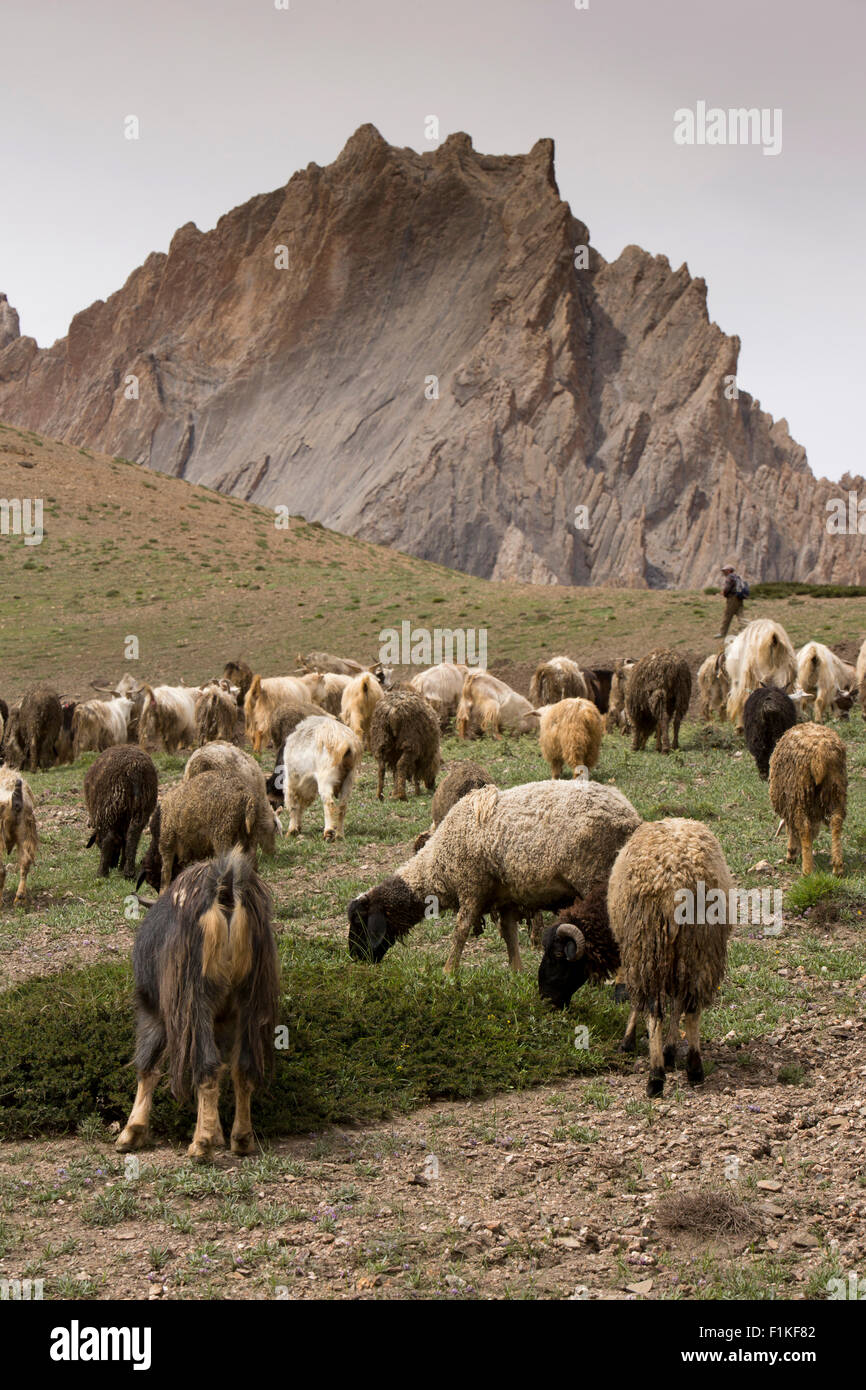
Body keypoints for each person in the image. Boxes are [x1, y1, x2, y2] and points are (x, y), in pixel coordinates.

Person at [715, 564, 748, 639]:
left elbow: (727, 588)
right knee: (740, 615)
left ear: (729, 570)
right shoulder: (736, 577)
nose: (723, 572)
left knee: (727, 615)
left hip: (732, 598)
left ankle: (722, 633)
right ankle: (748, 629)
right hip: (739, 597)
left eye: (724, 571)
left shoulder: (730, 577)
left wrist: (724, 593)